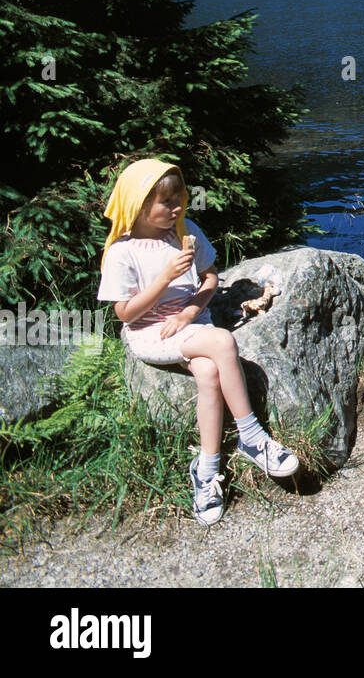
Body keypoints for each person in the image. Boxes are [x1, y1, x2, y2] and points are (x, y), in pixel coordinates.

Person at [97, 159, 299, 525]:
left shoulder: (185, 229)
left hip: (190, 323)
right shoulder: (122, 252)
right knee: (222, 343)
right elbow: (125, 314)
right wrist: (164, 277)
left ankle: (206, 470)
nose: (178, 208)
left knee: (208, 372)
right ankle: (251, 435)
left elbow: (209, 277)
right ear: (138, 205)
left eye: (180, 199)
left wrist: (190, 311)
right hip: (151, 332)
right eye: (166, 202)